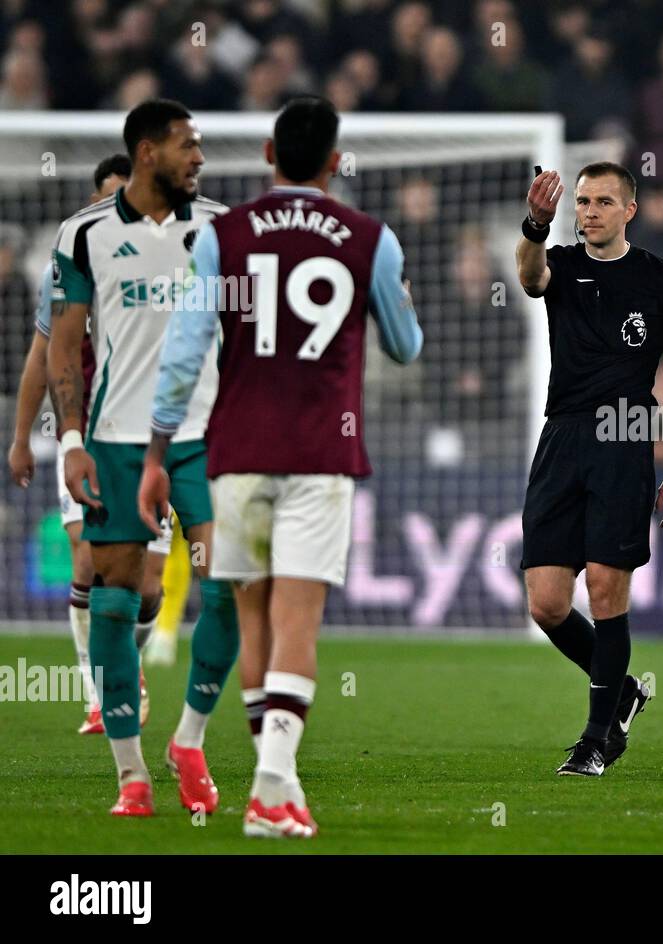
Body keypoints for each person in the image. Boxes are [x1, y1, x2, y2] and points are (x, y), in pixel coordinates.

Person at [140, 96, 422, 838]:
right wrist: (396, 299)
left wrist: (158, 450)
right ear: (334, 161)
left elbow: (184, 353)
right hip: (320, 455)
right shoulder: (369, 238)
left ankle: (279, 784)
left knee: (254, 617)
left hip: (237, 454)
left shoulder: (224, 235)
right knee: (299, 619)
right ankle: (270, 786)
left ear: (269, 154)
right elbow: (405, 347)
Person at [47, 99, 235, 817]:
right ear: (149, 151)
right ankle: (131, 776)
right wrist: (70, 441)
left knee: (227, 587)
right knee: (117, 595)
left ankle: (189, 740)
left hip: (205, 437)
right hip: (118, 439)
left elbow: (247, 330)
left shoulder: (222, 228)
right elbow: (63, 345)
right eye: (189, 145)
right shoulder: (83, 234)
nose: (200, 158)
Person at [516, 161, 663, 777]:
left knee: (604, 588)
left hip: (624, 438)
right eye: (583, 201)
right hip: (562, 434)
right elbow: (529, 277)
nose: (589, 212)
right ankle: (623, 692)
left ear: (630, 210)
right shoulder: (561, 262)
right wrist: (535, 224)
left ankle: (597, 739)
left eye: (602, 202)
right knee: (547, 603)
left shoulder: (662, 281)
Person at [7, 153, 174, 733]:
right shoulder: (70, 266)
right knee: (86, 561)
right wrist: (22, 437)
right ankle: (102, 690)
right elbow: (41, 357)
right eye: (110, 197)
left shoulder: (172, 263)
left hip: (154, 438)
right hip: (83, 434)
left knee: (146, 587)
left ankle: (128, 662)